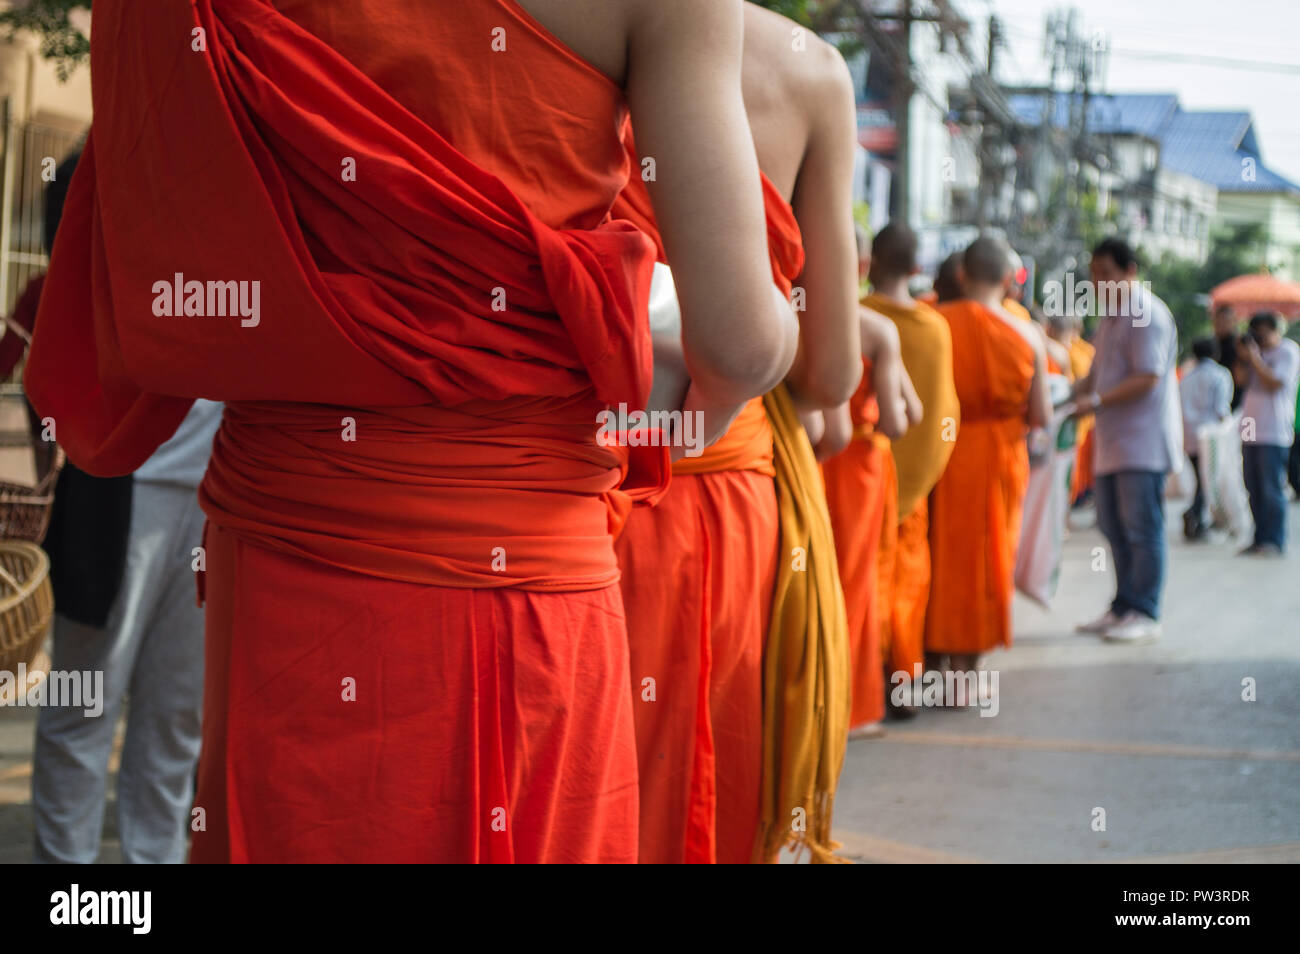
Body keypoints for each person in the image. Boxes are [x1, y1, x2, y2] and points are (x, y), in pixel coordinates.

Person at [25, 0, 798, 863]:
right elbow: (738, 339)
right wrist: (763, 344)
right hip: (528, 561)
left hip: (288, 553)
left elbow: (158, 243)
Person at [609, 0, 860, 863]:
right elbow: (830, 374)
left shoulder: (537, 22)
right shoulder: (814, 70)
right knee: (709, 775)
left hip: (557, 471)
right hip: (722, 489)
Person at [25, 150, 218, 865]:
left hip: (213, 503)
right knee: (83, 709)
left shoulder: (230, 172)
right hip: (115, 496)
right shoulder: (100, 168)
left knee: (175, 723)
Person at [926, 236, 1050, 676]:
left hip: (943, 451)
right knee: (990, 552)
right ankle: (967, 666)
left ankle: (931, 655)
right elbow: (1041, 415)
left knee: (939, 550)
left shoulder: (934, 322)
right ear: (1006, 279)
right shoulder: (1027, 333)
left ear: (961, 274)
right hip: (1002, 454)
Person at [849, 222, 957, 710]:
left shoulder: (853, 316)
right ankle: (902, 681)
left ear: (869, 263)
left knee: (856, 575)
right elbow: (940, 415)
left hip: (852, 472)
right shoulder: (933, 328)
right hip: (903, 482)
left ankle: (857, 680)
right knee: (908, 580)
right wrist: (923, 474)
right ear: (918, 268)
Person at [821, 225, 917, 736]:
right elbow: (905, 419)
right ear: (864, 264)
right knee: (856, 581)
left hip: (809, 459)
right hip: (860, 463)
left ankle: (811, 696)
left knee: (809, 573)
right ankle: (853, 706)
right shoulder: (878, 330)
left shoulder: (797, 314)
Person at [1072, 238, 1182, 643]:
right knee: (1112, 525)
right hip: (1113, 443)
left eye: (1106, 273)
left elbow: (1147, 376)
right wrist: (1064, 395)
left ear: (1130, 271)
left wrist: (1096, 400)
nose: (1098, 281)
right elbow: (1095, 374)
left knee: (1142, 528)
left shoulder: (1145, 314)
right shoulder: (1110, 317)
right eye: (1094, 272)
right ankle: (1123, 605)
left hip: (1143, 444)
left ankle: (1145, 610)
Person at [1236, 311, 1300, 555]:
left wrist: (1254, 358)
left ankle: (1274, 540)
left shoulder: (1288, 350)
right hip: (1250, 429)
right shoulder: (1255, 355)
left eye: (1263, 332)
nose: (1259, 338)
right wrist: (1244, 358)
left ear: (1275, 330)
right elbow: (1241, 380)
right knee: (1252, 487)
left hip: (1274, 430)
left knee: (1271, 488)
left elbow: (1275, 383)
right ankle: (1259, 537)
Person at [1179, 337, 1233, 541]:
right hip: (1211, 438)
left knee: (1201, 479)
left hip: (1189, 436)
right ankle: (1194, 514)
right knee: (1207, 480)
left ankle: (1197, 516)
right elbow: (1221, 410)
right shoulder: (1220, 375)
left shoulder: (1186, 378)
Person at [1212, 304, 1246, 410]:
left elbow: (1242, 377)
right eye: (1219, 321)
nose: (1221, 324)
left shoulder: (1240, 344)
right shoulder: (1211, 344)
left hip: (1235, 398)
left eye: (1226, 321)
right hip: (1212, 397)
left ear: (1234, 322)